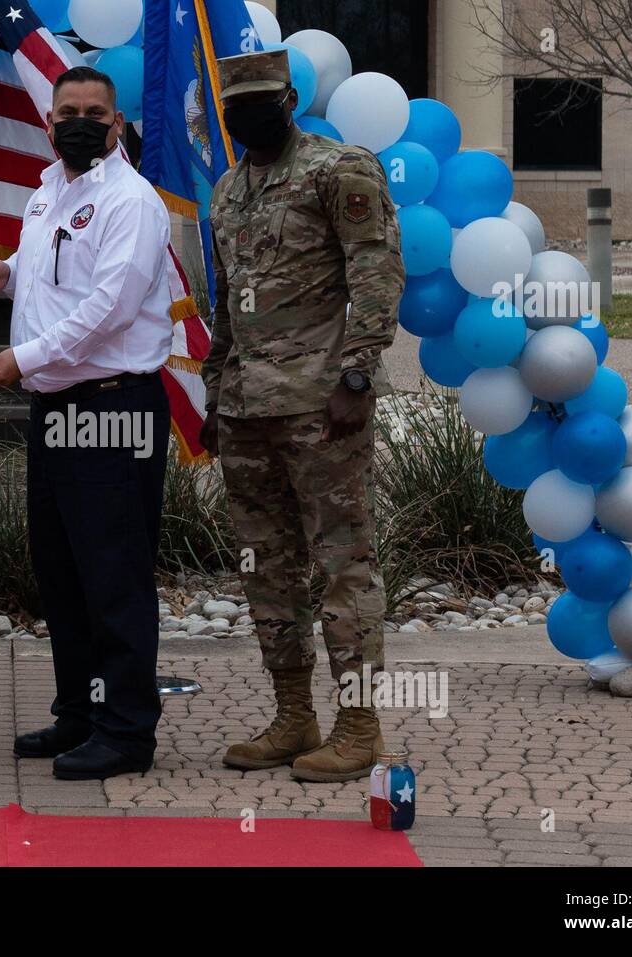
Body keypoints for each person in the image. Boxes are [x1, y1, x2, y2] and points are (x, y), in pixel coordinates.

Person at [201, 50, 405, 782]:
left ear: (289, 99)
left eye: (261, 100)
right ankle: (294, 715)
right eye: (235, 105)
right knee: (267, 567)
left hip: (322, 404)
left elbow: (377, 270)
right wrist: (213, 390)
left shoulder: (338, 168)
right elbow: (226, 305)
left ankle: (358, 725)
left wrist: (358, 370)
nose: (248, 114)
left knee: (343, 563)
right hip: (246, 410)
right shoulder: (227, 191)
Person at [0, 66, 173, 781]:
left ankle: (126, 731)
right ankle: (81, 712)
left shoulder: (132, 200)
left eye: (95, 111)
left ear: (116, 125)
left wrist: (21, 357)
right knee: (62, 568)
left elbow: (109, 308)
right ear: (50, 121)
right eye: (69, 111)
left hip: (114, 407)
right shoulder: (47, 191)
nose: (80, 121)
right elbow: (51, 277)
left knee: (114, 572)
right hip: (56, 409)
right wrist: (6, 275)